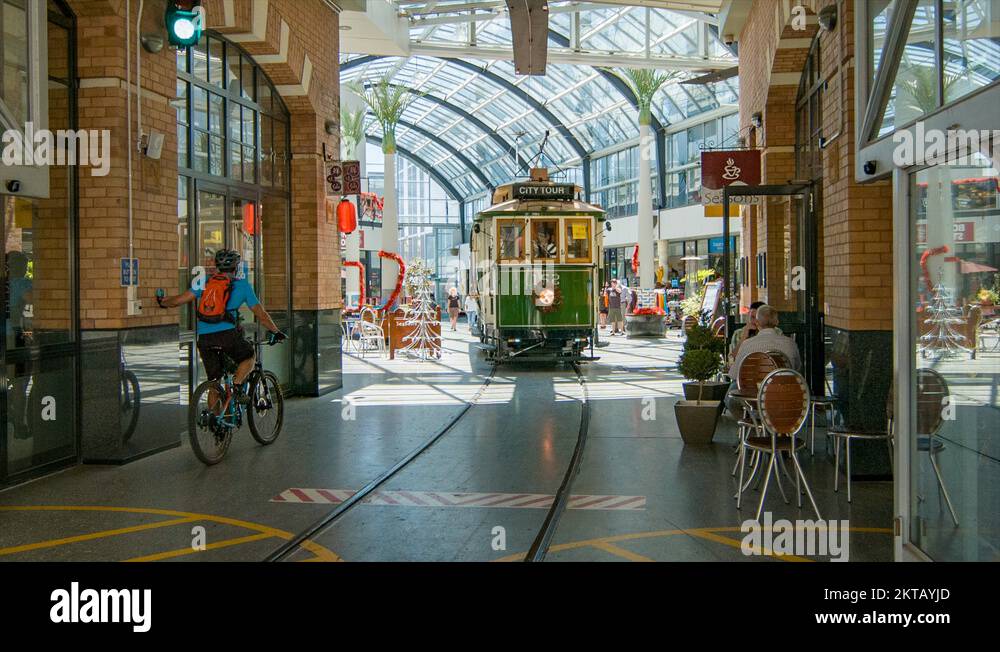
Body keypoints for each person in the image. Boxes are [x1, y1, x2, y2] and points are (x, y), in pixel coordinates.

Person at [156, 249, 286, 404]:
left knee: (214, 382)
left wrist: (162, 302)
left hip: (204, 338)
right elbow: (261, 314)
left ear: (217, 266)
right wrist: (276, 331)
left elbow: (179, 300)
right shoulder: (242, 286)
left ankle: (215, 422)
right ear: (236, 267)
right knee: (249, 356)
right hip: (227, 336)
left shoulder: (205, 284)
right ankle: (237, 386)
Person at [730, 304, 801, 380]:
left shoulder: (747, 344)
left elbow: (733, 374)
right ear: (777, 322)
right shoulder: (790, 343)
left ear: (757, 322)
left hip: (753, 390)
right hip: (783, 389)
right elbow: (796, 368)